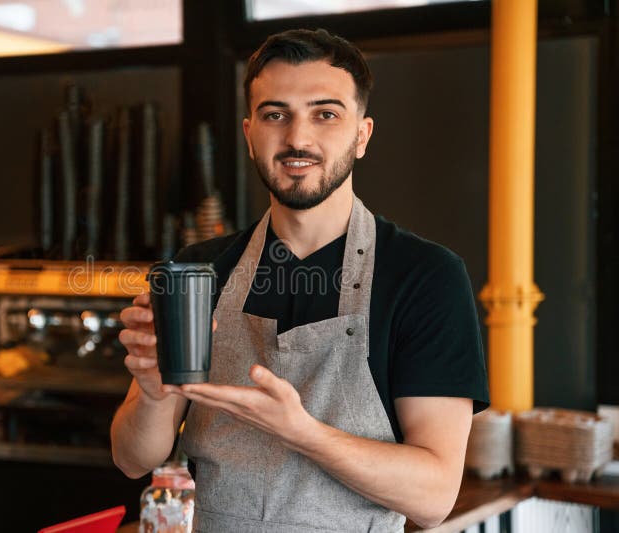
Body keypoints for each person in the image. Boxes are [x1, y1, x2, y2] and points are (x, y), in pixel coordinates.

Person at [110, 28, 489, 532]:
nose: (297, 138)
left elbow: (434, 494)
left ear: (362, 134)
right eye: (275, 114)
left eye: (325, 114)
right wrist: (153, 393)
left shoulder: (425, 277)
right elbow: (133, 458)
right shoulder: (200, 270)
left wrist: (302, 433)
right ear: (249, 134)